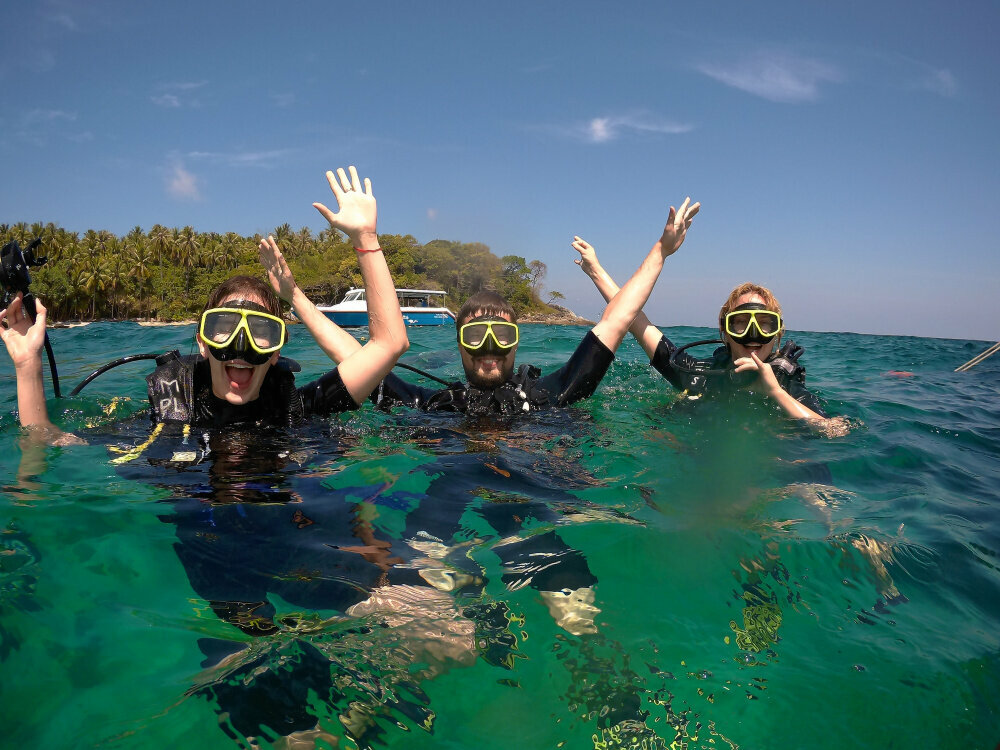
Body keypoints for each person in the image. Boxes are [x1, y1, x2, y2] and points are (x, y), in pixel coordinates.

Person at [1, 166, 409, 437]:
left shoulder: (296, 410)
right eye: (224, 328)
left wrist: (365, 239)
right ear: (202, 341)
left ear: (276, 351)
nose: (240, 347)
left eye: (261, 332)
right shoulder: (168, 415)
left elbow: (389, 343)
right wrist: (26, 365)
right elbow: (49, 440)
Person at [267, 197, 698, 416]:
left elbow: (616, 320)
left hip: (539, 493)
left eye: (501, 335)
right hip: (452, 488)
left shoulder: (551, 394)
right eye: (476, 335)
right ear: (459, 344)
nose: (490, 347)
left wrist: (661, 251)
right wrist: (296, 298)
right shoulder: (437, 405)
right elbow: (360, 358)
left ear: (516, 342)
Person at [572, 237, 836, 424]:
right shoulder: (700, 376)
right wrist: (596, 272)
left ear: (777, 333)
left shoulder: (787, 386)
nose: (753, 334)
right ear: (725, 331)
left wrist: (775, 393)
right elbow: (635, 321)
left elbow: (834, 431)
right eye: (741, 322)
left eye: (765, 323)